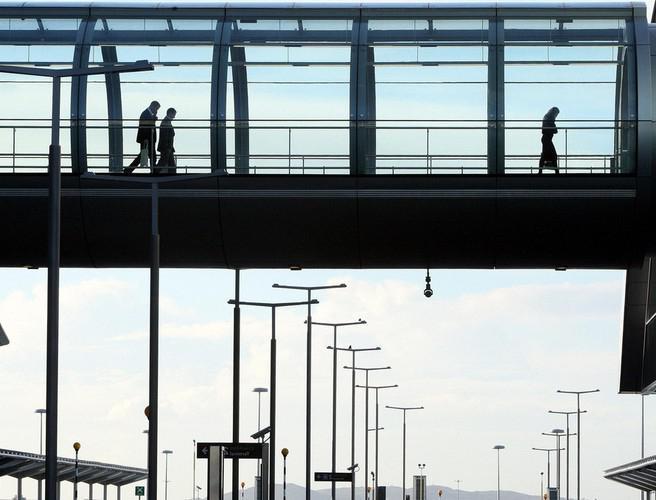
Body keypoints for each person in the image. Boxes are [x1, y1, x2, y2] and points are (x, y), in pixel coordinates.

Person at [124, 100, 160, 174]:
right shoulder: (145, 114)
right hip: (147, 139)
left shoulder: (147, 114)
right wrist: (145, 139)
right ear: (152, 106)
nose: (156, 110)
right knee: (150, 156)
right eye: (156, 108)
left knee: (147, 155)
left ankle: (128, 170)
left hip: (148, 139)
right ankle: (153, 172)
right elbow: (145, 127)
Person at [538, 106, 560, 174]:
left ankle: (540, 171)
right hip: (547, 139)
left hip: (546, 139)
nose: (556, 115)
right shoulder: (549, 119)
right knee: (553, 154)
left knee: (545, 155)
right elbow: (555, 130)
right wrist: (552, 129)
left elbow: (555, 130)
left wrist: (552, 129)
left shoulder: (547, 118)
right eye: (556, 114)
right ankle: (556, 171)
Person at [156, 107, 177, 175]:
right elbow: (165, 136)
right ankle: (154, 173)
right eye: (174, 114)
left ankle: (155, 173)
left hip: (168, 147)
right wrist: (167, 147)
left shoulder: (166, 121)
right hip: (167, 147)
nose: (174, 117)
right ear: (170, 113)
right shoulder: (166, 122)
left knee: (169, 164)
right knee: (164, 162)